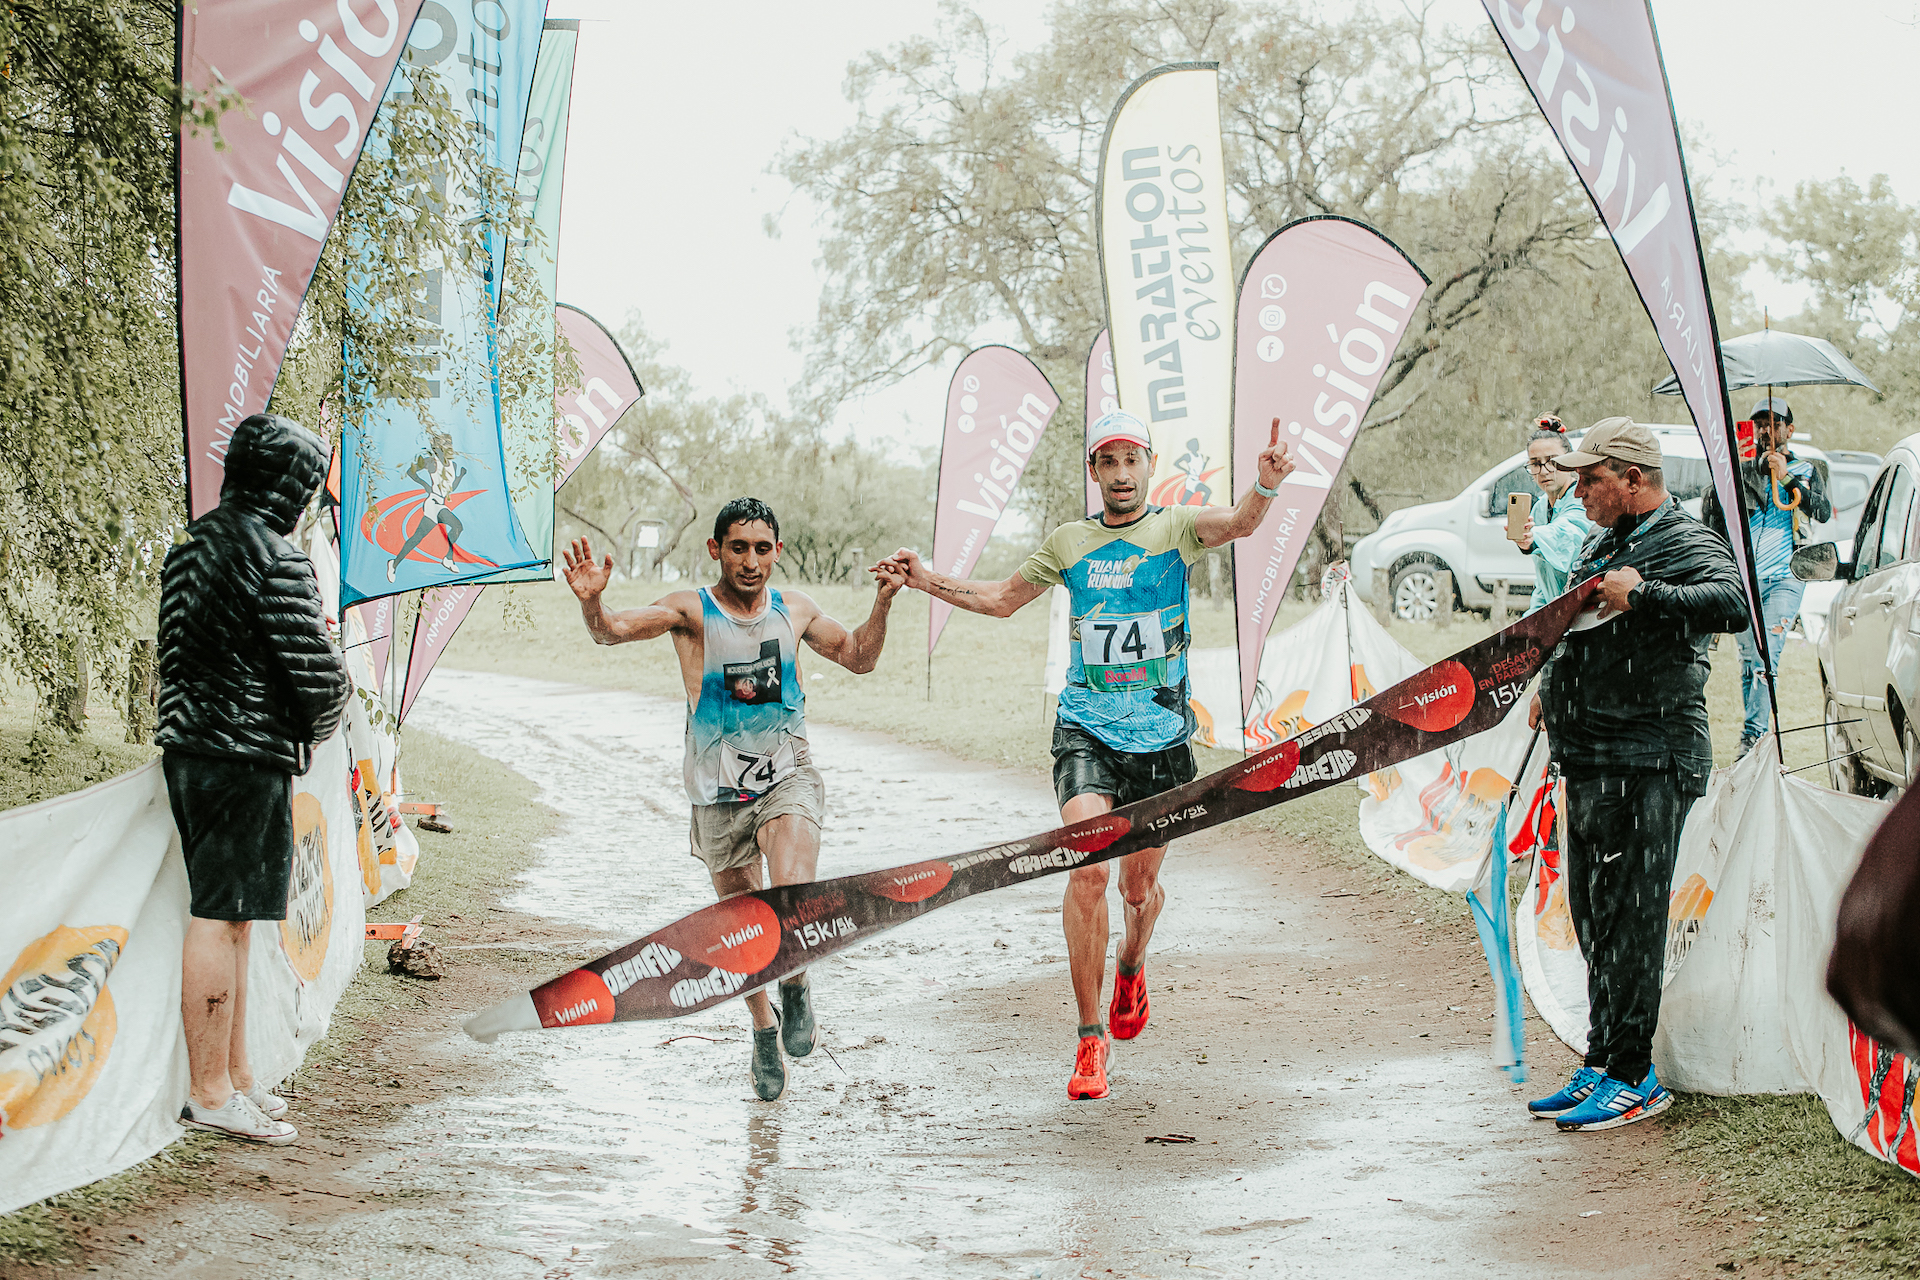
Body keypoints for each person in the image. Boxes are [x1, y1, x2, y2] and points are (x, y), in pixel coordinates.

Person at [882, 410, 1295, 1100]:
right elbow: (1001, 599)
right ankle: (1088, 1039)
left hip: (1162, 740)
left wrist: (1265, 485)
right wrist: (925, 579)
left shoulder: (1175, 529)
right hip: (1086, 732)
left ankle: (1133, 964)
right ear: (1095, 472)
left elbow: (1242, 524)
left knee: (1137, 891)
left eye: (1133, 460)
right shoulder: (1070, 544)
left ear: (1147, 466)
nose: (1123, 474)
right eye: (1110, 462)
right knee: (1086, 869)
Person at [561, 499, 904, 1101]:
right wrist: (593, 602)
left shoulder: (794, 610)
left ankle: (795, 982)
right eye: (738, 547)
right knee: (744, 926)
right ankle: (764, 1030)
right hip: (717, 793)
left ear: (776, 551)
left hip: (785, 777)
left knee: (790, 891)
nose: (751, 561)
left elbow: (859, 657)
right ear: (716, 549)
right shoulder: (690, 610)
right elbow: (612, 631)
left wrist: (881, 604)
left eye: (762, 548)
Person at [1525, 419, 1748, 1131]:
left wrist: (1645, 594)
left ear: (1633, 478)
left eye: (1589, 478)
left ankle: (1635, 1076)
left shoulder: (1684, 540)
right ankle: (1600, 1058)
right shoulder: (1600, 540)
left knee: (1632, 918)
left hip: (1652, 757)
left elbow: (1734, 603)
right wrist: (1550, 684)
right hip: (1591, 755)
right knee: (1593, 913)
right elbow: (1580, 622)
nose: (1577, 489)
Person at [157, 413, 355, 1145]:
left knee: (233, 915)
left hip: (191, 749)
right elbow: (319, 678)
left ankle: (237, 1080)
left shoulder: (190, 544)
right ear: (290, 484)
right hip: (244, 755)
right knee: (221, 914)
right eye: (308, 483)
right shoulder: (275, 556)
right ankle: (211, 1091)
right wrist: (321, 720)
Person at [1700, 397, 1831, 757]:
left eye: (1773, 423)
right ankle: (1756, 735)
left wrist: (1785, 475)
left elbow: (1820, 510)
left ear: (1789, 429)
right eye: (1760, 423)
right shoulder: (1740, 471)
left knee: (1766, 658)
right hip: (1744, 581)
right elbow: (1714, 514)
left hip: (1786, 578)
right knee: (1749, 662)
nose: (1765, 430)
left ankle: (1752, 736)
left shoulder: (1807, 469)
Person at [1516, 417, 1594, 615]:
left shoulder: (1582, 498)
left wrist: (1534, 538)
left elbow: (1571, 535)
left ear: (1569, 462)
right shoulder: (1539, 509)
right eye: (1535, 464)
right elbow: (1544, 580)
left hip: (1587, 611)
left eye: (1552, 461)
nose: (1544, 471)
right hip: (1558, 616)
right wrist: (1532, 620)